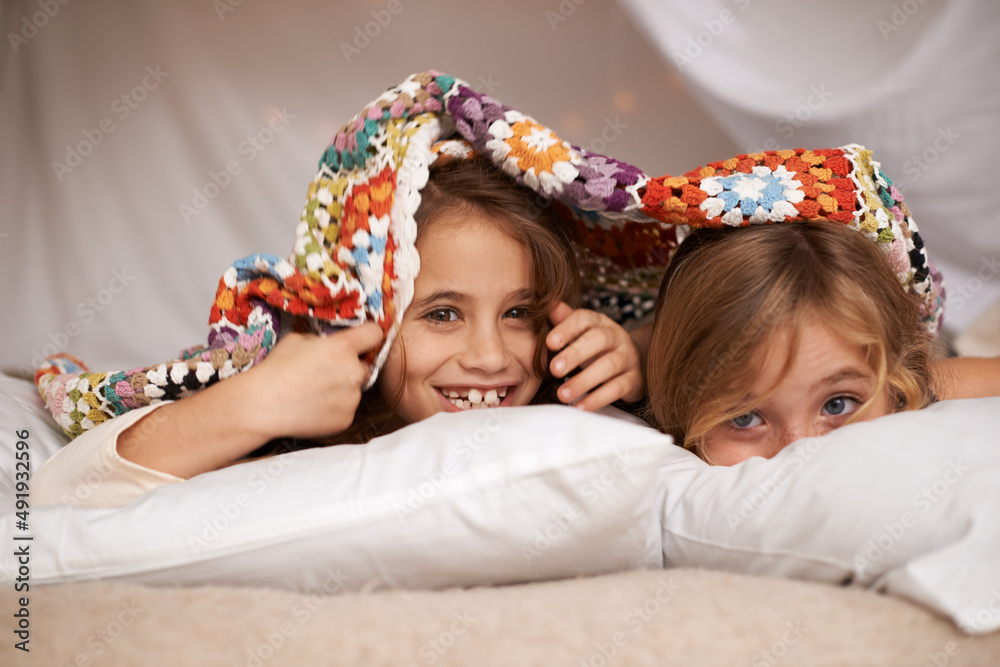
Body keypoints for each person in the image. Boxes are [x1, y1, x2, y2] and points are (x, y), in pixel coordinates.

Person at [32, 155, 644, 506]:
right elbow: (63, 493)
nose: (491, 357)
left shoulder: (559, 397)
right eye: (442, 314)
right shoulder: (305, 421)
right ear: (361, 317)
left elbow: (696, 363)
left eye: (520, 313)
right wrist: (257, 402)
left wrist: (631, 360)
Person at [641, 220, 1000, 466]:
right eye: (744, 417)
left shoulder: (920, 390)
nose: (801, 452)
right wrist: (637, 348)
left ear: (894, 389)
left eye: (838, 405)